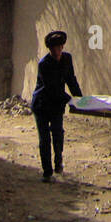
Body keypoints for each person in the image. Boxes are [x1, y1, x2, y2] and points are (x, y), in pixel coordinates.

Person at [30, 29, 82, 182]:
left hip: (57, 104)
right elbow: (51, 87)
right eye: (54, 48)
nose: (57, 51)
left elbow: (71, 80)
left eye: (59, 47)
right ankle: (47, 172)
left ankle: (58, 163)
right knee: (45, 139)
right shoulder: (44, 64)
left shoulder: (67, 59)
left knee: (58, 134)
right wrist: (70, 100)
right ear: (50, 49)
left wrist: (80, 99)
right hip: (42, 104)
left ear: (62, 47)